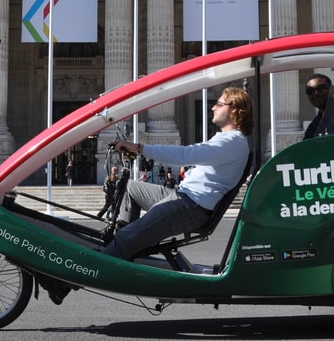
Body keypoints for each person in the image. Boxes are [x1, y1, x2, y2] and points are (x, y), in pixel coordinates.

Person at [103, 86, 251, 262]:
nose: (213, 108)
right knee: (130, 189)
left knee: (126, 237)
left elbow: (185, 155)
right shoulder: (229, 140)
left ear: (234, 110)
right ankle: (125, 249)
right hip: (184, 197)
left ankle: (104, 263)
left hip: (191, 205)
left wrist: (139, 148)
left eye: (219, 104)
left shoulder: (232, 142)